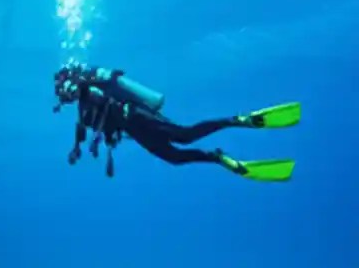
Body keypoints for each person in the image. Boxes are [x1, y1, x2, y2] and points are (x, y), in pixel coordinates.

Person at [52, 64, 300, 181]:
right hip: (136, 132)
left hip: (136, 116)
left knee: (185, 135)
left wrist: (73, 84)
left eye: (63, 88)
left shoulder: (87, 84)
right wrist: (77, 148)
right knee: (175, 158)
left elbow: (86, 92)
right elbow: (84, 128)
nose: (64, 94)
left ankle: (236, 120)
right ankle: (217, 158)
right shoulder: (84, 110)